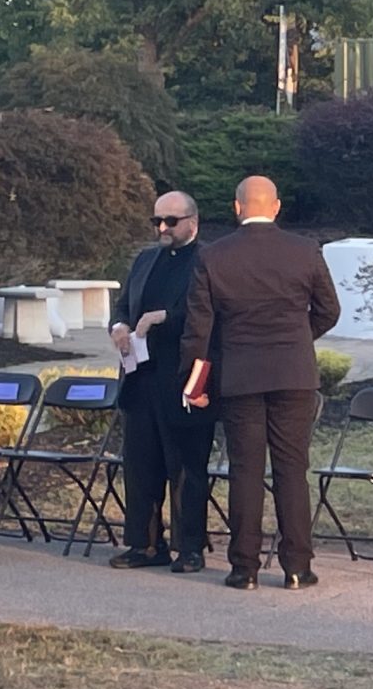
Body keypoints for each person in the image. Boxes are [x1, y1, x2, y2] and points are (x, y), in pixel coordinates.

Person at [181, 175, 341, 590]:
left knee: (245, 471)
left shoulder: (214, 257)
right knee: (291, 469)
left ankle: (244, 568)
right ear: (276, 206)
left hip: (240, 375)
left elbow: (198, 329)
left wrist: (192, 383)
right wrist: (298, 339)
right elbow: (329, 310)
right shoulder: (304, 251)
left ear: (237, 208)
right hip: (294, 375)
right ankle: (297, 567)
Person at [108, 190, 218, 572]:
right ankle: (145, 543)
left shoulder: (207, 261)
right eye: (157, 221)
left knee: (186, 467)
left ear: (193, 221)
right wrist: (119, 325)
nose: (162, 228)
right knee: (140, 463)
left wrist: (164, 319)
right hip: (141, 377)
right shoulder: (145, 259)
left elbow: (207, 315)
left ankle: (189, 547)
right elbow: (124, 304)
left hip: (183, 377)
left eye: (171, 221)